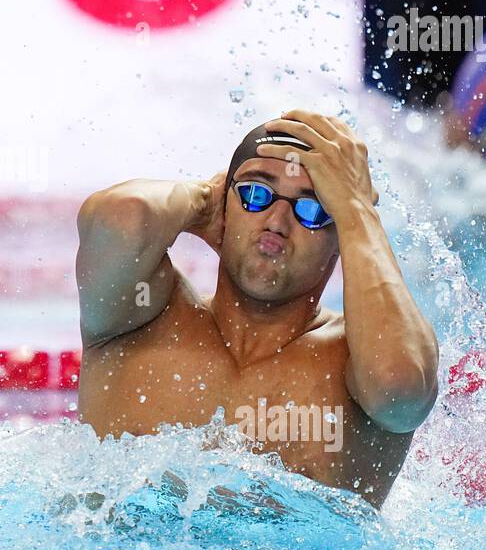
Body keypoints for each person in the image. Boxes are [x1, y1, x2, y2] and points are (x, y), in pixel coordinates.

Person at [74, 109, 439, 507]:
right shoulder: (140, 320)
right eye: (254, 193)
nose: (277, 221)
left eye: (313, 210)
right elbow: (121, 218)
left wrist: (356, 210)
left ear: (343, 241)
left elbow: (400, 390)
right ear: (225, 210)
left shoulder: (356, 365)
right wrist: (202, 201)